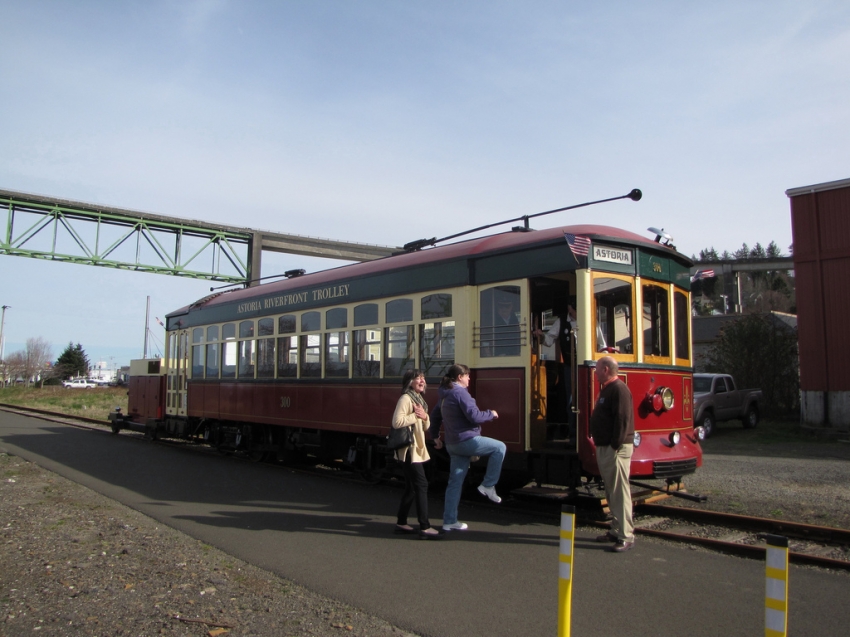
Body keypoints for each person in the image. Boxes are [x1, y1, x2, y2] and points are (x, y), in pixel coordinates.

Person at [430, 364, 505, 531]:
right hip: (467, 440)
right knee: (500, 447)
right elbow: (474, 416)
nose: (469, 378)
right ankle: (488, 485)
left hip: (452, 444)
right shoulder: (460, 393)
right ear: (459, 377)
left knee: (454, 483)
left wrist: (435, 437)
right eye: (467, 376)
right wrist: (491, 414)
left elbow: (434, 416)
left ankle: (450, 521)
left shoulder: (444, 394)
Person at [589, 356, 636, 552]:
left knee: (619, 492)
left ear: (606, 370)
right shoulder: (608, 389)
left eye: (598, 368)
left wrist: (615, 445)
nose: (595, 371)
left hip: (614, 448)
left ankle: (625, 535)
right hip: (606, 447)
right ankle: (616, 530)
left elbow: (623, 419)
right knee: (611, 490)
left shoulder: (618, 389)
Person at [391, 369, 442, 539]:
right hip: (409, 450)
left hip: (416, 449)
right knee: (421, 485)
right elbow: (397, 422)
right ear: (409, 382)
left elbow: (425, 426)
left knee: (411, 488)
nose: (422, 381)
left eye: (423, 378)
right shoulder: (406, 398)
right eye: (418, 378)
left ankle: (401, 522)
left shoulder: (419, 400)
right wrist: (415, 415)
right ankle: (425, 526)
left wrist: (424, 416)